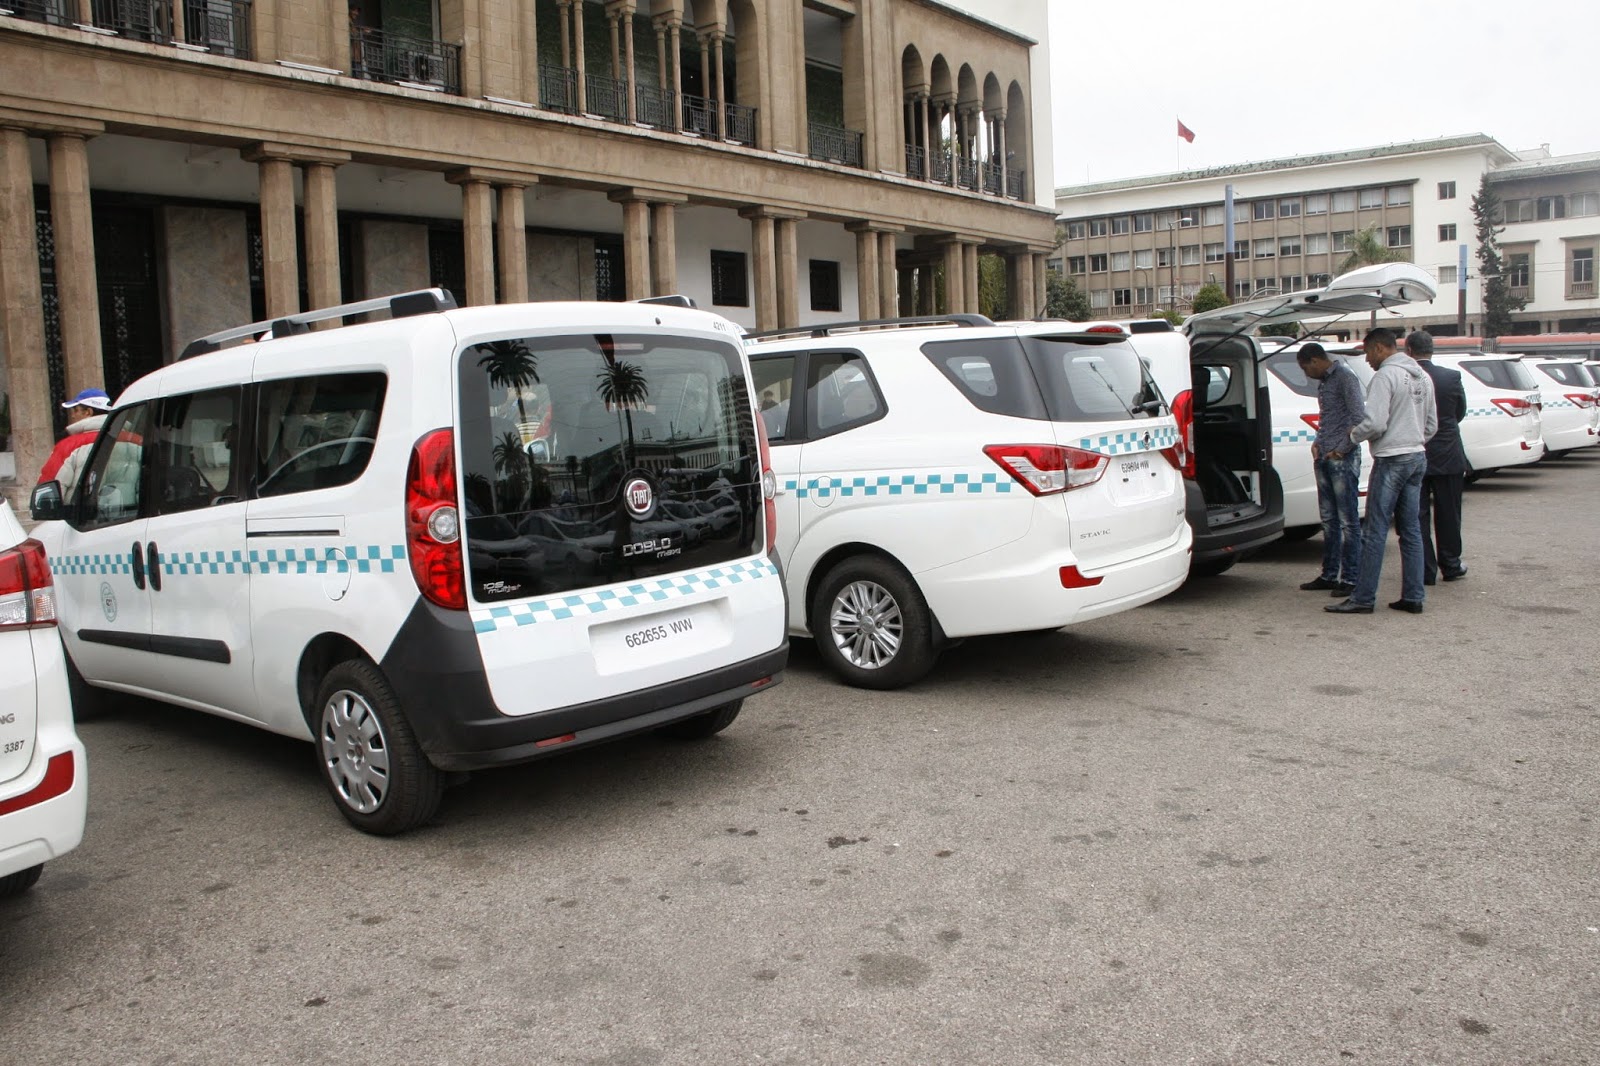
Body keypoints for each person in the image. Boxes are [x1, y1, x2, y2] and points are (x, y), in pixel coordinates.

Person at [1327, 328, 1436, 616]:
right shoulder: (1423, 377)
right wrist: (1412, 438)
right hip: (1416, 457)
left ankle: (1363, 598)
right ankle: (1413, 596)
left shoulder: (1385, 377)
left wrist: (1349, 440)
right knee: (1410, 530)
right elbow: (1432, 425)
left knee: (1374, 531)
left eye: (1367, 353)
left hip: (1391, 459)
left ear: (1378, 349)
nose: (1368, 360)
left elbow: (1374, 423)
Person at [1295, 343, 1366, 596]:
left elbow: (1359, 418)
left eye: (1305, 368)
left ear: (1315, 360)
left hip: (1341, 458)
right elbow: (1328, 417)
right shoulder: (1325, 382)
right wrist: (1318, 442)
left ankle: (1350, 577)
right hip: (1326, 454)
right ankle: (1329, 574)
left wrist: (1343, 448)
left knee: (1348, 521)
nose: (1306, 374)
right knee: (1329, 519)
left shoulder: (1345, 378)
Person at [1406, 331, 1469, 585]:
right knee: (1449, 514)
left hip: (1414, 451)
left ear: (1408, 350)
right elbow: (1458, 413)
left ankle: (1424, 569)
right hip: (1448, 453)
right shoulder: (1451, 377)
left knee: (1417, 515)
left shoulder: (1404, 378)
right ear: (1432, 349)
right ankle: (1451, 565)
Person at [37, 387, 112, 496]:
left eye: (76, 410)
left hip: (83, 512)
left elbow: (49, 489)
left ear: (88, 412)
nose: (72, 415)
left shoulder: (69, 446)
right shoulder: (135, 441)